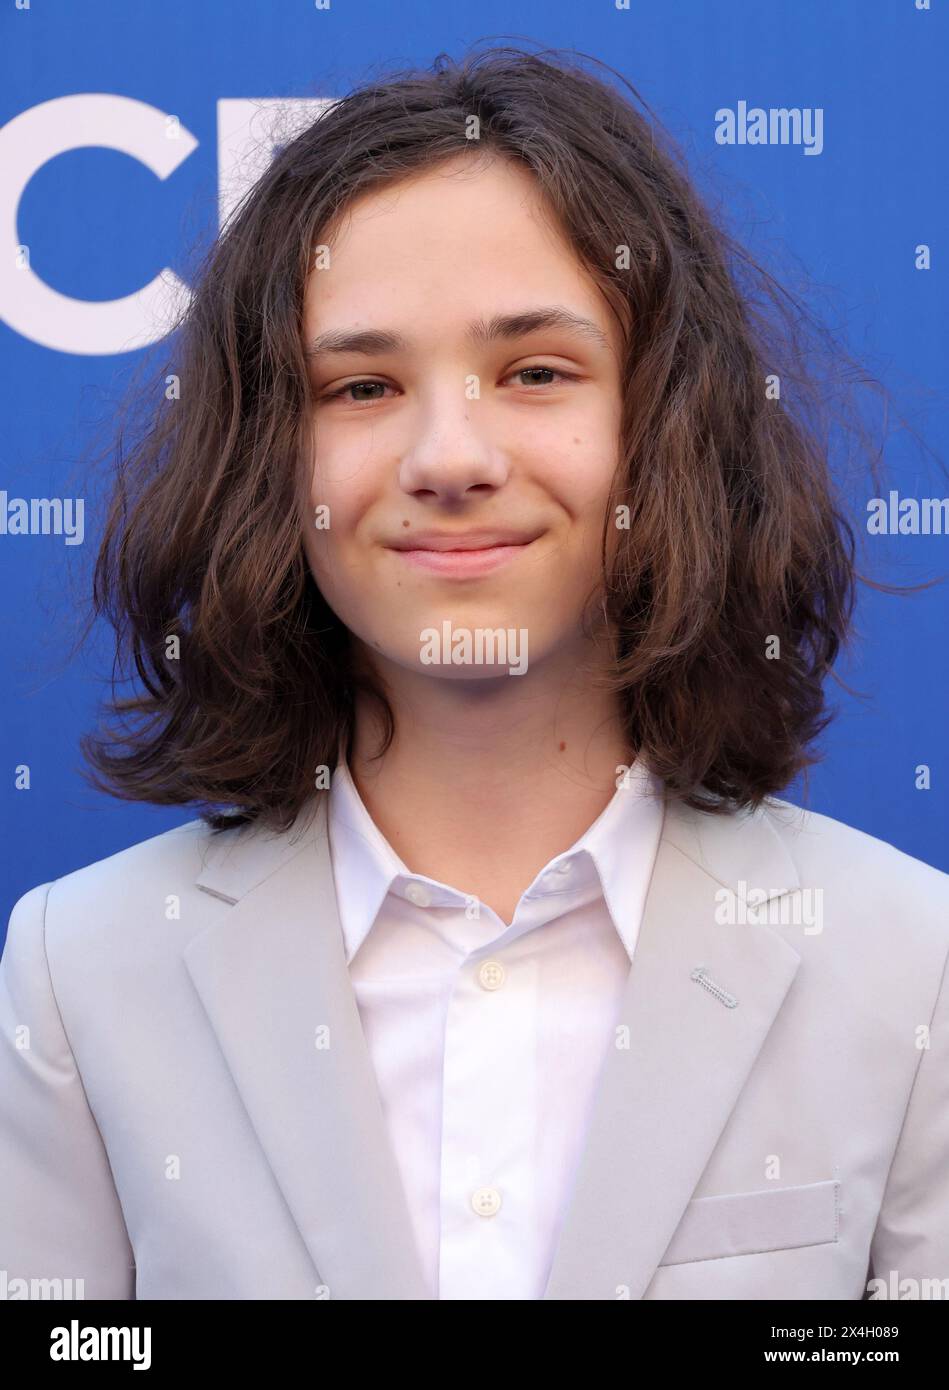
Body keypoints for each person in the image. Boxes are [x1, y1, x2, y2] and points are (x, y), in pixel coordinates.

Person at [1, 47, 947, 1303]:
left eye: (536, 372)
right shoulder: (84, 970)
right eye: (363, 385)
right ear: (268, 462)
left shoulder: (908, 959)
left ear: (664, 419)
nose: (450, 456)